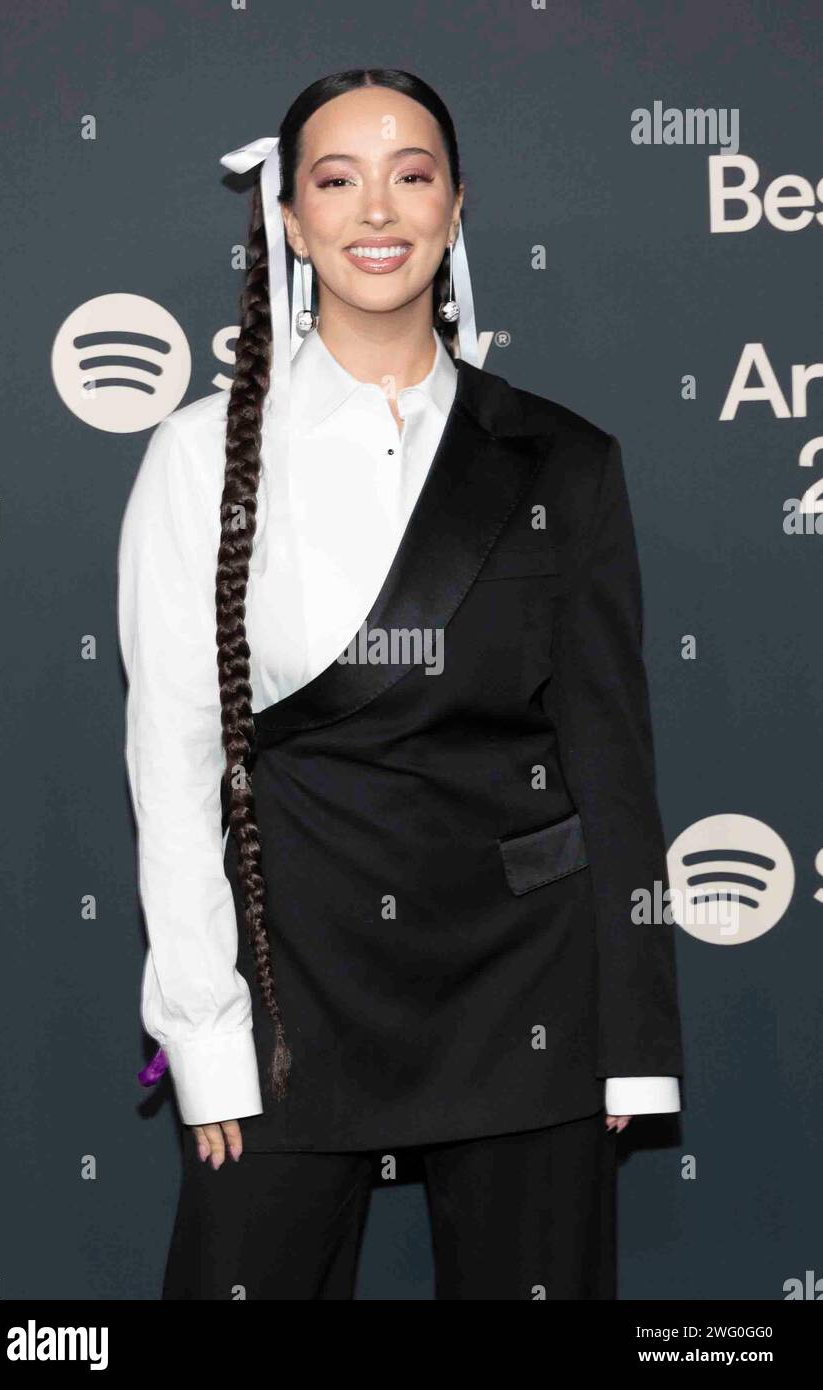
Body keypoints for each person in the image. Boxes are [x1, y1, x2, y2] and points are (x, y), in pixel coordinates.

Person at [117, 67, 684, 1300]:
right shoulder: (198, 455)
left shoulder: (563, 459)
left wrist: (630, 1048)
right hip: (289, 992)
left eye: (411, 174)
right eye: (337, 178)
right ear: (289, 218)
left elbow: (610, 768)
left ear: (455, 206)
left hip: (523, 992)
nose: (377, 208)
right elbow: (172, 767)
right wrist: (206, 1041)